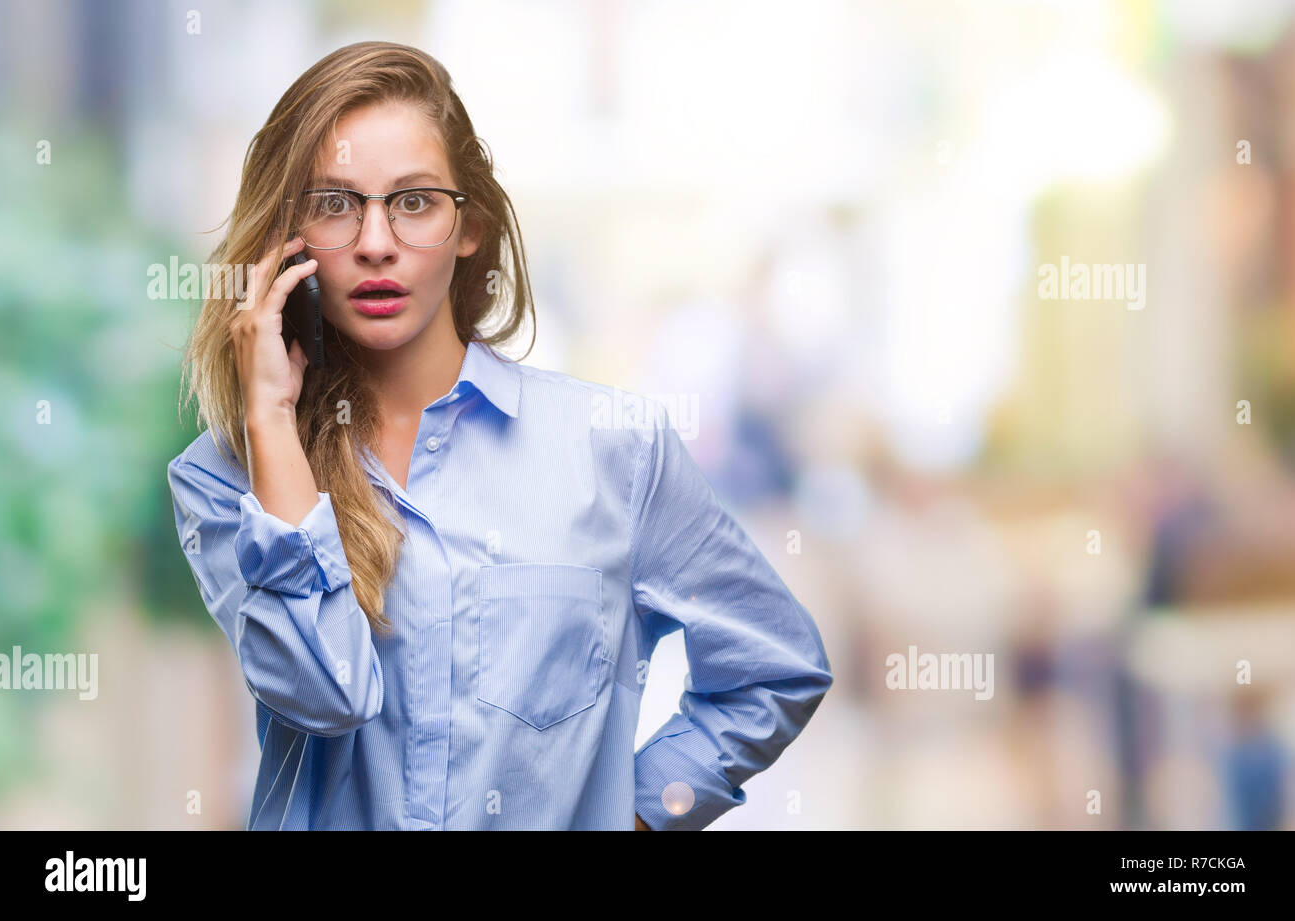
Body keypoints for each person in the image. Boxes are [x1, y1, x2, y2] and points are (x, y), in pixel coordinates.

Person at [167, 40, 832, 830]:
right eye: (336, 203)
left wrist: (640, 814)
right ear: (289, 239)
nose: (377, 241)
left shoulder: (615, 449)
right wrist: (271, 417)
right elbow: (326, 692)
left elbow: (775, 666)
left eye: (414, 201)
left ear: (469, 225)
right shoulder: (225, 478)